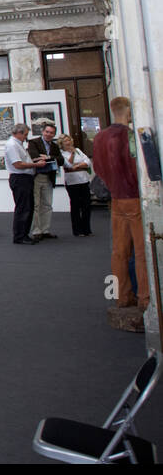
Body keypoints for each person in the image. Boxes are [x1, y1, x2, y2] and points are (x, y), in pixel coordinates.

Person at [93, 96, 148, 314]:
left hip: (116, 198)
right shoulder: (131, 136)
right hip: (134, 197)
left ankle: (121, 297)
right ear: (129, 111)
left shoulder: (100, 137)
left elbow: (98, 168)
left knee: (119, 251)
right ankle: (145, 298)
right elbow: (138, 167)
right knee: (142, 252)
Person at [27, 121, 64, 240]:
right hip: (37, 176)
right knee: (36, 205)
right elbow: (35, 157)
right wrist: (51, 159)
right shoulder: (33, 142)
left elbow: (61, 160)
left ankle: (45, 230)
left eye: (51, 133)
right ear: (43, 132)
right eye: (47, 132)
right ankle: (36, 231)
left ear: (54, 135)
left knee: (47, 205)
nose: (49, 134)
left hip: (49, 177)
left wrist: (48, 157)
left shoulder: (54, 146)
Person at [4, 124, 40, 244]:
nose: (26, 137)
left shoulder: (18, 144)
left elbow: (22, 162)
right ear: (18, 133)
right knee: (23, 208)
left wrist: (33, 161)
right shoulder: (12, 145)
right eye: (25, 134)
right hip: (20, 178)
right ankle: (20, 236)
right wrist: (36, 165)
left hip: (25, 178)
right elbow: (18, 165)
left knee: (28, 207)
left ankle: (24, 234)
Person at [58, 133, 93, 237]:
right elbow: (68, 165)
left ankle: (87, 229)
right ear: (62, 144)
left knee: (86, 205)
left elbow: (87, 162)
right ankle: (77, 230)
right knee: (76, 205)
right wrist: (72, 155)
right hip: (72, 182)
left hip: (84, 179)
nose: (68, 143)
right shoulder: (62, 153)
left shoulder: (78, 150)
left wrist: (77, 165)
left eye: (69, 140)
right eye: (65, 141)